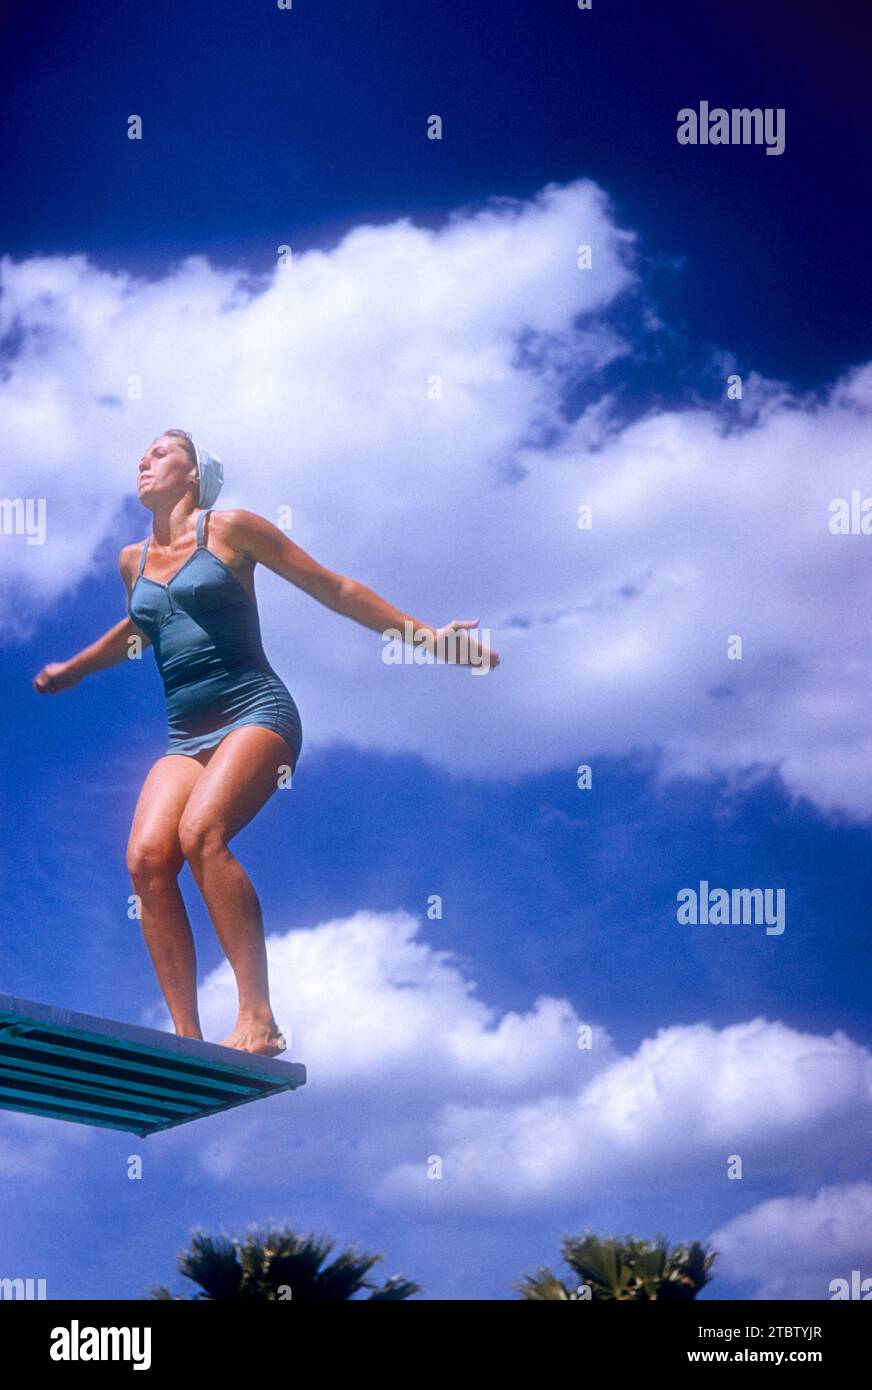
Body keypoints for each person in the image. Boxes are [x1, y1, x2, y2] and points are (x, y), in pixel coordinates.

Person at [33, 431, 500, 1056]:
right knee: (147, 859)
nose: (144, 461)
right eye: (142, 454)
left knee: (201, 835)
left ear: (194, 475)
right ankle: (186, 1041)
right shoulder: (132, 561)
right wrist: (76, 669)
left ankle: (259, 1019)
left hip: (258, 712)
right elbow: (138, 629)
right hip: (186, 735)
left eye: (161, 453)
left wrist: (431, 641)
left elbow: (333, 588)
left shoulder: (231, 530)